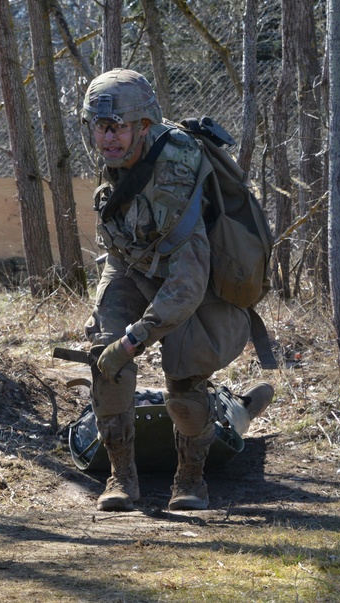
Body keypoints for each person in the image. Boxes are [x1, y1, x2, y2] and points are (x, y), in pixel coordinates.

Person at [80, 68, 270, 512]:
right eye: (98, 127)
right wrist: (116, 347)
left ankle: (191, 481)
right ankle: (121, 479)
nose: (106, 138)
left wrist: (135, 339)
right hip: (130, 264)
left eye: (117, 128)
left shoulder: (175, 179)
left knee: (184, 386)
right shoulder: (116, 156)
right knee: (105, 363)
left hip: (193, 280)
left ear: (144, 126)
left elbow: (185, 288)